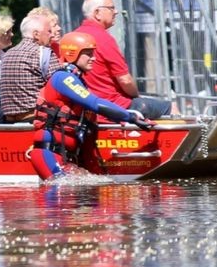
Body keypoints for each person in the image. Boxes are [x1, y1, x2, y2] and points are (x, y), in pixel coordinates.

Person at [30, 31, 155, 181]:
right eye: (88, 54)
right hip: (50, 153)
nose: (93, 58)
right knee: (60, 198)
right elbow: (95, 104)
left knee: (86, 197)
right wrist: (130, 117)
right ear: (72, 54)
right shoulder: (63, 78)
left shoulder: (77, 80)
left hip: (67, 155)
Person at [74, 0, 174, 120]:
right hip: (114, 105)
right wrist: (137, 97)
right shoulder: (103, 38)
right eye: (111, 8)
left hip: (87, 107)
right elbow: (125, 80)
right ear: (97, 13)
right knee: (170, 107)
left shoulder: (74, 36)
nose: (115, 12)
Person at [0, 13, 62, 123]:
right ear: (36, 34)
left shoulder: (7, 54)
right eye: (48, 31)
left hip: (9, 121)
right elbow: (61, 85)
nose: (51, 35)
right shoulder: (43, 53)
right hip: (36, 119)